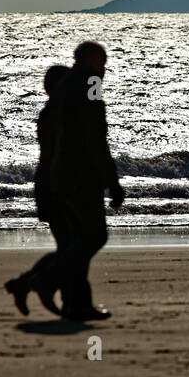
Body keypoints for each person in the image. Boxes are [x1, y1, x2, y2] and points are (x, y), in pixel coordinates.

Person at [46, 40, 125, 321]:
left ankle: (74, 302)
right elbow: (95, 136)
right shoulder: (89, 83)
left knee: (79, 238)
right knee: (92, 236)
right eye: (101, 62)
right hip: (82, 175)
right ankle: (47, 280)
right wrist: (111, 181)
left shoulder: (66, 86)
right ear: (90, 61)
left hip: (63, 174)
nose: (104, 68)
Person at [5, 64, 71, 317]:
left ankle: (28, 283)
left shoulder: (56, 112)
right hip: (55, 187)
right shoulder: (57, 114)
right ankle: (36, 284)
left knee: (69, 247)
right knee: (72, 247)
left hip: (52, 185)